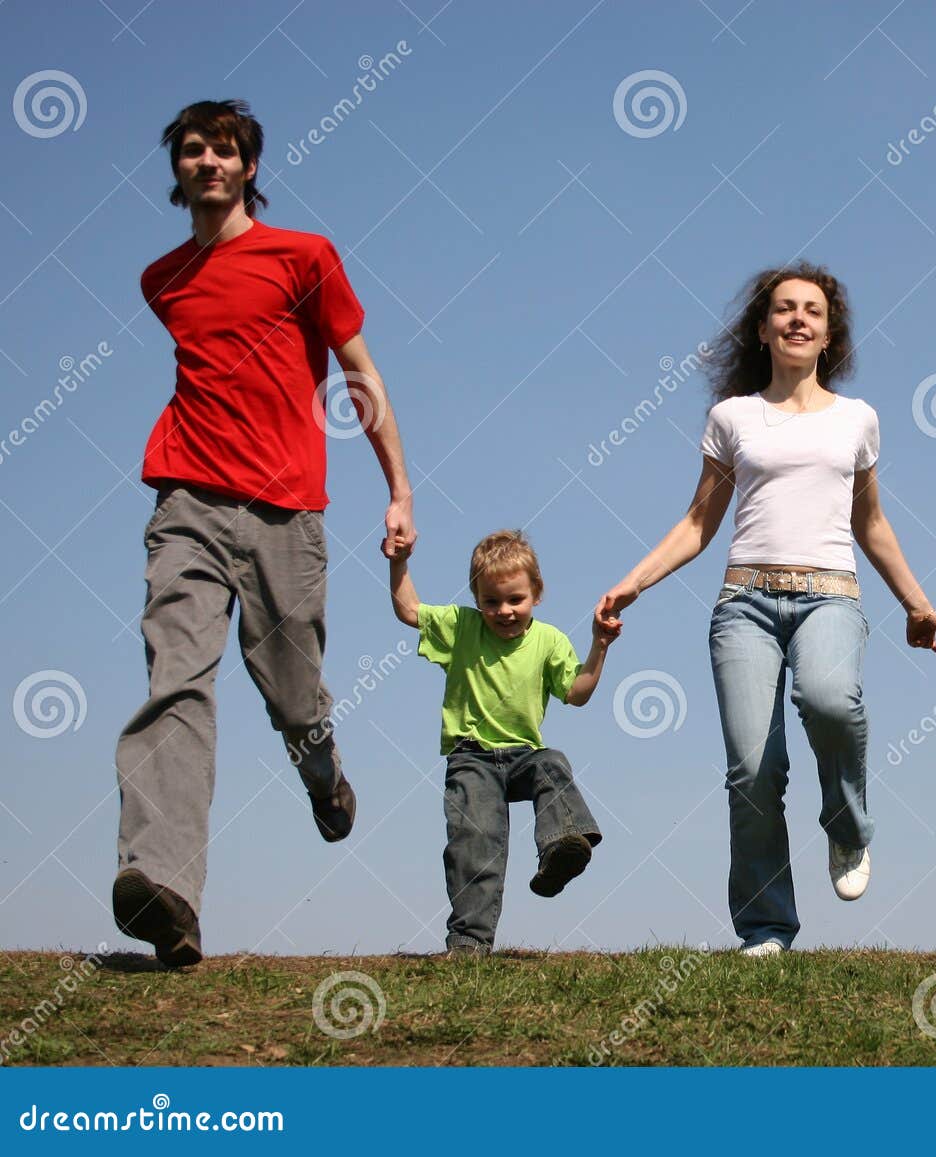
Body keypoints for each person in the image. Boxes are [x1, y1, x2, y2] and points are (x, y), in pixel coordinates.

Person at [112, 100, 416, 966]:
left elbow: (360, 376)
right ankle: (164, 888)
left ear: (249, 166)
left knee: (294, 697)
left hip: (287, 507)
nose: (209, 161)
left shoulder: (304, 258)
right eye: (194, 149)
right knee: (175, 681)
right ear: (178, 168)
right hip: (187, 504)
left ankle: (323, 775)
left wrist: (399, 489)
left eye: (225, 149)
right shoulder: (161, 279)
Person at [595, 263, 936, 956]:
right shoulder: (733, 417)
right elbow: (698, 522)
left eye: (811, 311)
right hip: (745, 604)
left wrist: (917, 601)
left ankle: (846, 823)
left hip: (831, 598)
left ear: (828, 334)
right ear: (762, 329)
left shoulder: (857, 420)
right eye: (783, 309)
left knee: (830, 700)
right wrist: (635, 581)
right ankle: (766, 926)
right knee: (753, 770)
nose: (797, 319)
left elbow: (871, 523)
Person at [391, 530, 619, 955]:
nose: (504, 611)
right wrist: (398, 562)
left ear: (536, 593)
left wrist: (600, 646)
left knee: (553, 763)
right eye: (491, 601)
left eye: (515, 599)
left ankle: (560, 851)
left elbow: (577, 693)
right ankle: (469, 942)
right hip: (471, 758)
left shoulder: (549, 640)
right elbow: (408, 609)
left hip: (523, 756)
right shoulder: (462, 627)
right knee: (474, 841)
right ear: (476, 598)